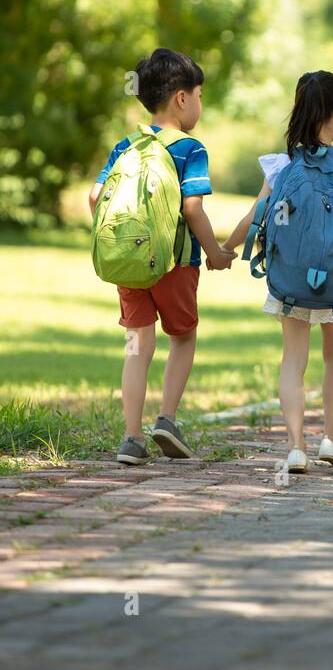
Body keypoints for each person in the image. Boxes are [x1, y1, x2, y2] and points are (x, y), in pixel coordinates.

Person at [222, 71, 333, 474]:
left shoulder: (281, 165)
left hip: (290, 281)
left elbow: (255, 215)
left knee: (293, 358)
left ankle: (296, 446)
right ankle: (331, 439)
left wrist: (225, 249)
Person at [89, 48, 234, 465]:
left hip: (130, 268)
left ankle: (131, 438)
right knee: (183, 336)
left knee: (136, 346)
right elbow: (192, 209)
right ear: (182, 99)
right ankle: (167, 418)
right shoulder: (190, 148)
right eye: (200, 94)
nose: (200, 104)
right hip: (175, 264)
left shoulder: (126, 144)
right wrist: (216, 253)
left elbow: (96, 195)